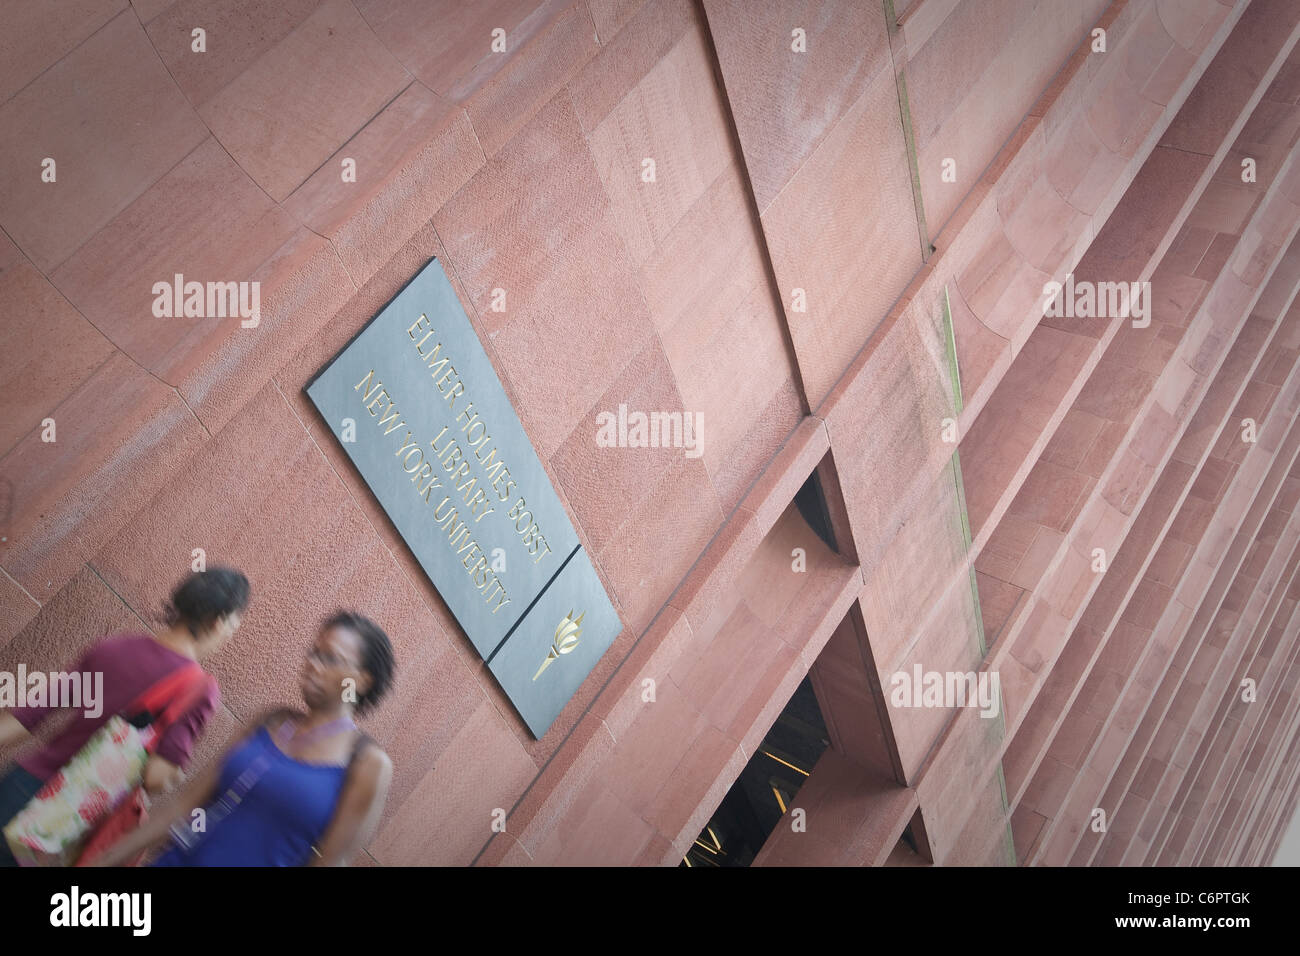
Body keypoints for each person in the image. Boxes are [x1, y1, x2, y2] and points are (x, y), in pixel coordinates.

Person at [94, 610, 395, 867]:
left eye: (330, 658)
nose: (313, 664)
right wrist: (105, 859)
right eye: (314, 653)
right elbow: (184, 806)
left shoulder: (367, 763)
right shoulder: (272, 720)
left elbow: (331, 862)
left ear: (362, 680)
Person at [0, 566, 250, 866]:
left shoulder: (113, 648)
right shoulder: (200, 690)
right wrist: (175, 773)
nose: (229, 635)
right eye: (234, 625)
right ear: (217, 621)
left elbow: (28, 716)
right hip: (59, 823)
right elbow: (156, 777)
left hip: (19, 788)